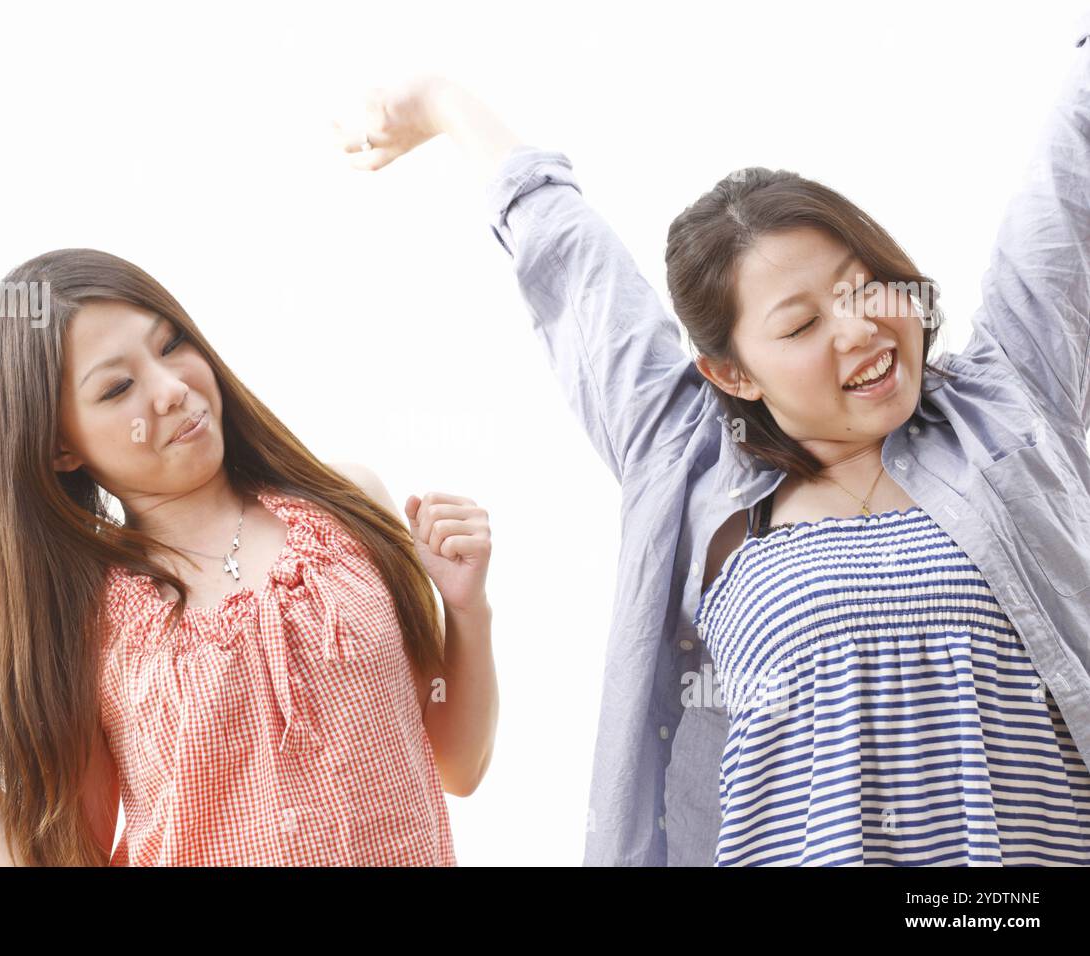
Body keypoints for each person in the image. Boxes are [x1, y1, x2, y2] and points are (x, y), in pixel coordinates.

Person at [333, 22, 1090, 866]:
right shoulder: (686, 457)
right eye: (802, 323)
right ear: (732, 375)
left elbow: (1071, 172)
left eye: (866, 286)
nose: (860, 328)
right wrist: (444, 101)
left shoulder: (1008, 404)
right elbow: (574, 264)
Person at [0, 248, 498, 866]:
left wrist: (466, 608)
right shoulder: (89, 626)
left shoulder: (348, 509)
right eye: (116, 388)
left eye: (171, 345)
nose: (171, 389)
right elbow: (56, 860)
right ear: (59, 446)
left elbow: (457, 764)